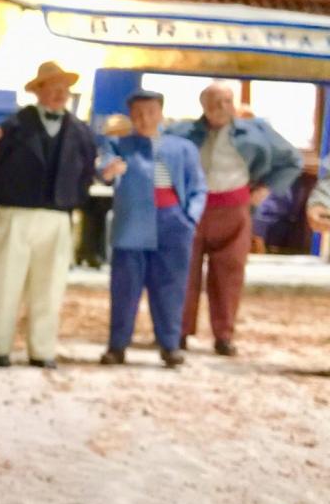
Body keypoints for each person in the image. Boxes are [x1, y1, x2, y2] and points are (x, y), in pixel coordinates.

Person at [169, 81, 302, 355]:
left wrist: (267, 188)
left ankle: (224, 335)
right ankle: (176, 331)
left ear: (234, 104)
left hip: (234, 208)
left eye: (226, 101)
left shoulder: (257, 132)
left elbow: (292, 160)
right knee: (182, 270)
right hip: (190, 208)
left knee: (229, 274)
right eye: (214, 102)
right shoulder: (181, 132)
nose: (220, 108)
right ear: (202, 105)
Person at [0, 60, 96, 369]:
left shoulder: (80, 131)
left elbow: (87, 171)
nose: (60, 93)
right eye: (53, 87)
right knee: (6, 282)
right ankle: (1, 347)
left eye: (64, 88)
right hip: (15, 213)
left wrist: (75, 198)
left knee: (50, 286)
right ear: (39, 91)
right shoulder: (13, 126)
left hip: (57, 216)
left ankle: (42, 349)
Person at [98, 89, 206, 368]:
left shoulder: (183, 148)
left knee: (171, 286)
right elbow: (104, 167)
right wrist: (108, 171)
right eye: (137, 113)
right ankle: (117, 345)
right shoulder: (119, 144)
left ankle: (170, 344)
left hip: (173, 221)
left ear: (160, 113)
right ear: (130, 116)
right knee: (125, 287)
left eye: (150, 112)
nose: (144, 119)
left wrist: (189, 218)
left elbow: (198, 187)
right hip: (132, 221)